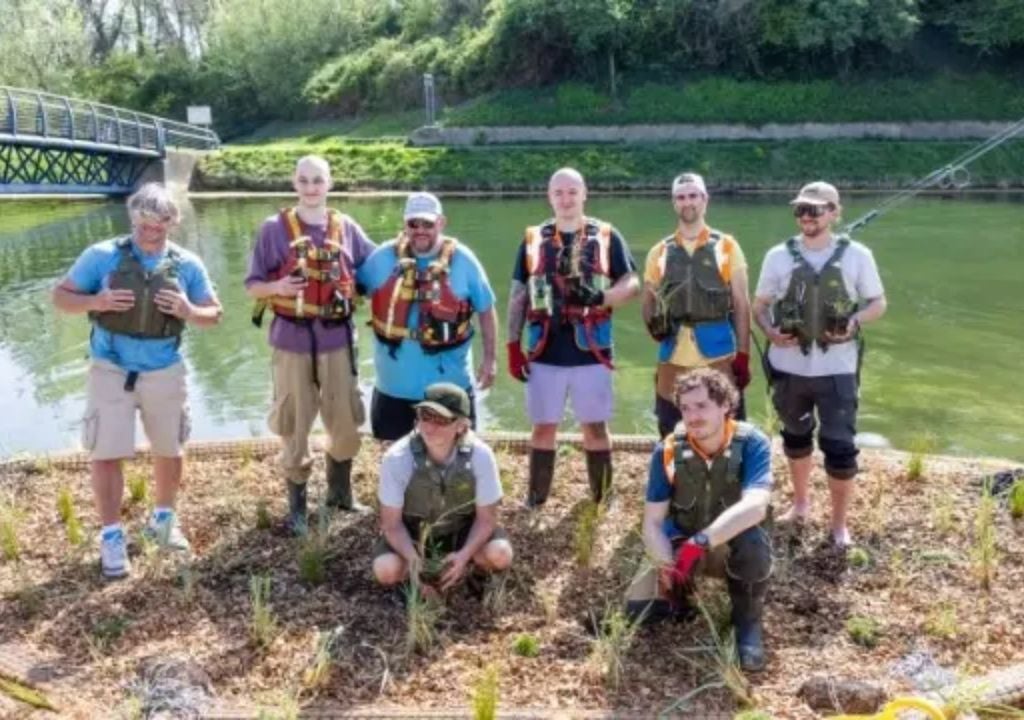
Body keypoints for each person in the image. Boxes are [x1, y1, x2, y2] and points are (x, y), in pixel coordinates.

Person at [52, 183, 223, 579]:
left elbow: (214, 314)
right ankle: (112, 536)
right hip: (110, 366)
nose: (152, 230)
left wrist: (188, 308)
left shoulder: (187, 264)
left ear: (173, 222)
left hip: (164, 366)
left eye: (162, 221)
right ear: (133, 218)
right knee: (106, 451)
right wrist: (97, 302)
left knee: (170, 446)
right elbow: (60, 298)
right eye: (145, 221)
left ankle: (163, 520)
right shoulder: (102, 256)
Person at [244, 155, 376, 534]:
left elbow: (375, 267)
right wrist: (278, 288)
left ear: (329, 183)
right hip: (291, 338)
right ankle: (298, 509)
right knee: (295, 421)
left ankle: (340, 495)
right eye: (304, 180)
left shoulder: (346, 227)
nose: (311, 187)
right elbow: (253, 284)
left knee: (346, 417)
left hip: (337, 337)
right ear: (294, 183)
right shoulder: (273, 229)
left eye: (318, 180)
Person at [752, 181, 887, 546]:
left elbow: (877, 303)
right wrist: (771, 332)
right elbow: (759, 307)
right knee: (794, 438)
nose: (806, 216)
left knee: (840, 445)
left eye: (815, 209)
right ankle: (800, 504)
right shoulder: (777, 256)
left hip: (837, 371)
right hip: (788, 369)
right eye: (800, 209)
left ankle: (839, 524)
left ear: (834, 212)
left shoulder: (858, 254)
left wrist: (854, 321)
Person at [506, 167, 639, 507]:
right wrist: (512, 345)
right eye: (558, 193)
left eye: (572, 192)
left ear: (584, 194)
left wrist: (602, 298)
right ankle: (535, 500)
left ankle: (602, 499)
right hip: (543, 350)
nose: (566, 199)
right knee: (542, 428)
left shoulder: (607, 236)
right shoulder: (533, 239)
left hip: (591, 351)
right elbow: (518, 294)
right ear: (549, 197)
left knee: (595, 428)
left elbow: (632, 283)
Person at [624, 368, 772, 672]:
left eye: (702, 406)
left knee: (754, 542)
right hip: (681, 545)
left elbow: (756, 506)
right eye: (686, 408)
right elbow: (652, 522)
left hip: (725, 547)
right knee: (638, 612)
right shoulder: (666, 450)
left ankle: (747, 624)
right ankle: (682, 597)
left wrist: (701, 542)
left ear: (725, 406)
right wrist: (666, 564)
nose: (693, 416)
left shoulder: (753, 443)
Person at [358, 192, 497, 441]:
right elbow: (351, 294)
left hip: (450, 389)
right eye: (413, 223)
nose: (420, 230)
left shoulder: (464, 260)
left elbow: (486, 310)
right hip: (393, 389)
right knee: (393, 462)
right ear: (404, 224)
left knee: (455, 463)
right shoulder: (382, 258)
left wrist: (490, 360)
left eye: (428, 224)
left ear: (441, 223)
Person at [371, 383, 513, 596]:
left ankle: (476, 574)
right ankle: (412, 586)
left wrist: (465, 555)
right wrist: (413, 561)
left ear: (462, 425)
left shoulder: (481, 456)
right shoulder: (397, 457)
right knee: (386, 570)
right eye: (424, 416)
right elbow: (391, 524)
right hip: (414, 535)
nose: (428, 427)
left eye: (440, 420)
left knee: (500, 554)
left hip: (463, 531)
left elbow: (487, 520)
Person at [642, 172, 752, 437]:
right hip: (673, 355)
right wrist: (653, 327)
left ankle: (728, 478)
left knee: (727, 429)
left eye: (693, 195)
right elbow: (647, 300)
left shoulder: (727, 246)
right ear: (674, 203)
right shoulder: (659, 251)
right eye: (680, 197)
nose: (687, 202)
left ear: (705, 199)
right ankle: (676, 476)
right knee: (670, 430)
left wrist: (743, 356)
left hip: (718, 354)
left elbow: (741, 303)